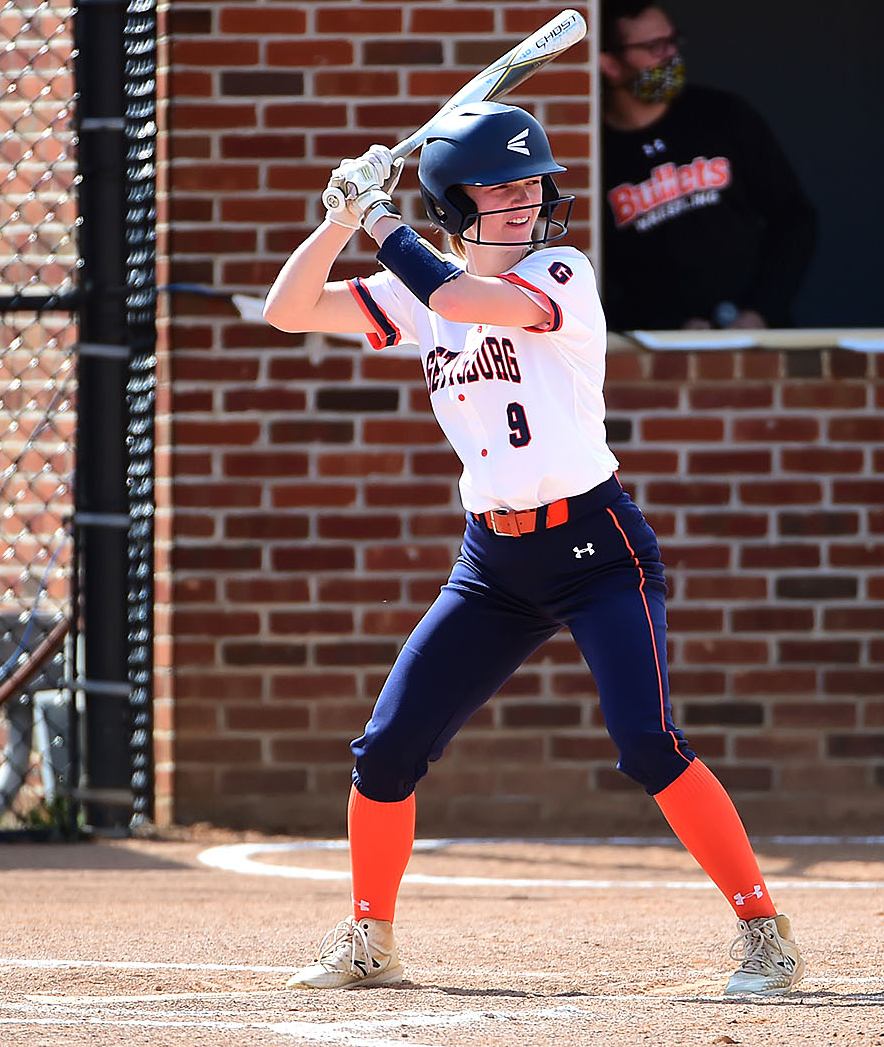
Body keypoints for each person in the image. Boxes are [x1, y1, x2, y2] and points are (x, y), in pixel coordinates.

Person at [260, 102, 806, 996]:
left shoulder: (560, 271)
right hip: (493, 563)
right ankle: (369, 940)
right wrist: (336, 219)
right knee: (387, 750)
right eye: (496, 187)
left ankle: (764, 932)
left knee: (646, 741)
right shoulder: (415, 290)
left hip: (597, 547)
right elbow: (288, 311)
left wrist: (379, 218)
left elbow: (454, 297)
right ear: (454, 202)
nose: (521, 200)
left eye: (529, 184)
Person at [598, 0, 817, 332]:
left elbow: (794, 219)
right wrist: (665, 325)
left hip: (755, 339)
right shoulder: (596, 152)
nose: (672, 53)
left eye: (674, 40)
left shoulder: (723, 115)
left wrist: (762, 311)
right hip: (656, 354)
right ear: (609, 65)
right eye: (655, 47)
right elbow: (595, 269)